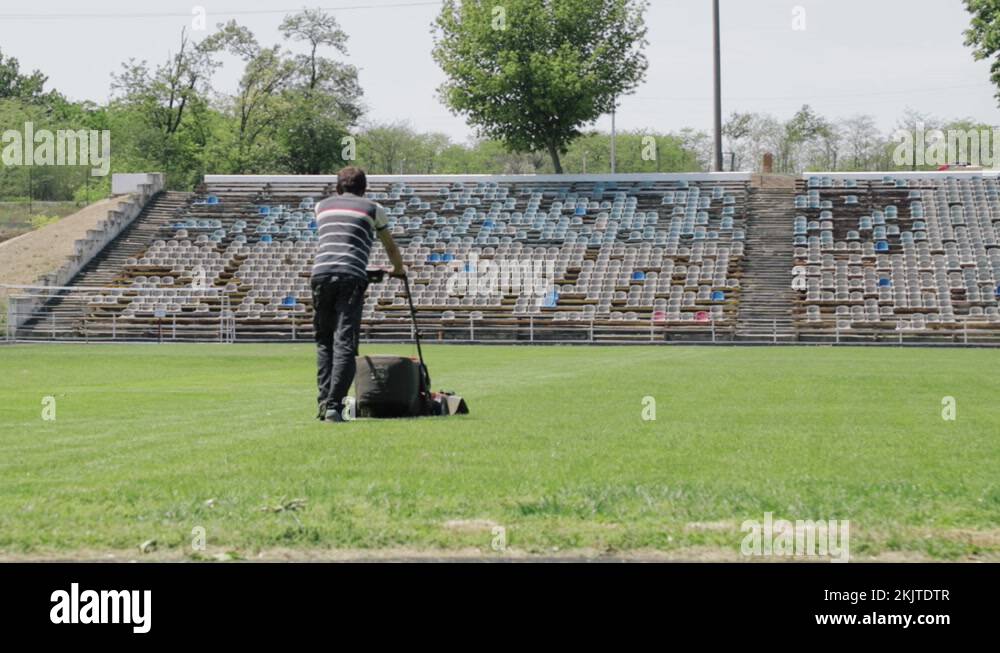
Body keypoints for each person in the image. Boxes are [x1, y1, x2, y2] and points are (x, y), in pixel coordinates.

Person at [311, 166, 405, 423]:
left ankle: (323, 402)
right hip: (350, 276)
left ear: (338, 187)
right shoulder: (373, 208)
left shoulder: (321, 207)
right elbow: (390, 247)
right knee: (345, 342)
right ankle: (333, 406)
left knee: (324, 341)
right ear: (364, 188)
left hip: (320, 274)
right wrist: (397, 270)